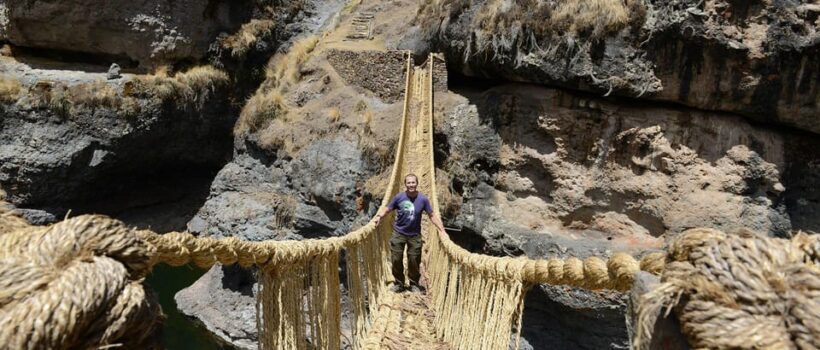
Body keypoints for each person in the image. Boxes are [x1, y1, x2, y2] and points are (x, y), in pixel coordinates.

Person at [373, 173, 446, 293]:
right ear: (405, 184)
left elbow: (432, 215)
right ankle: (399, 283)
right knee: (396, 259)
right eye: (409, 183)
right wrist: (379, 217)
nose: (411, 185)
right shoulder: (399, 197)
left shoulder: (423, 199)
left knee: (414, 260)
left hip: (415, 235)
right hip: (399, 233)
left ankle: (414, 284)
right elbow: (388, 208)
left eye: (413, 182)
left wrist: (442, 230)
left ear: (417, 184)